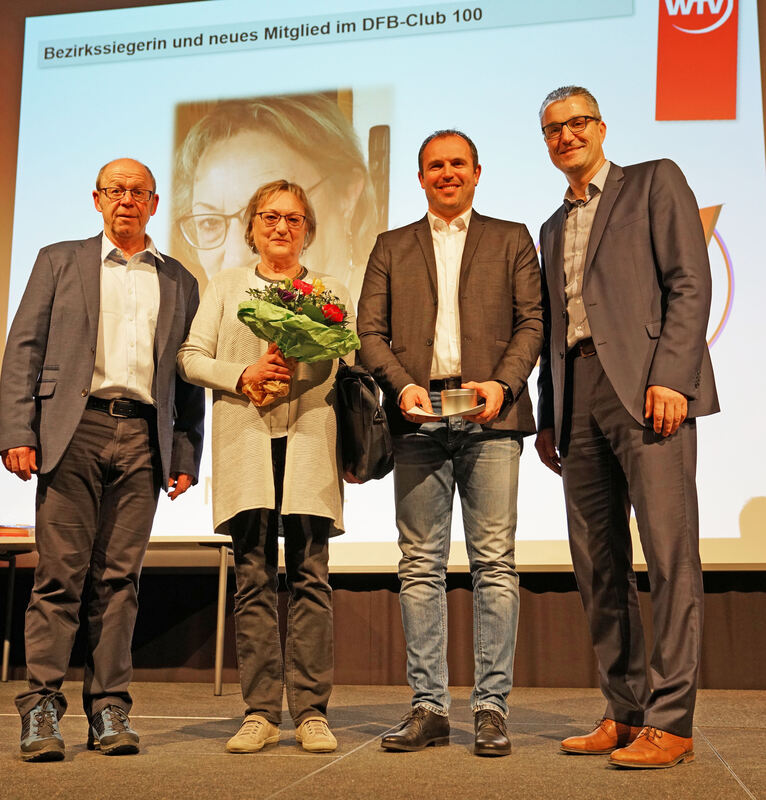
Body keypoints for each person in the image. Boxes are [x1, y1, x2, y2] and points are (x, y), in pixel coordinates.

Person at [535, 86, 720, 768]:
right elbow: (557, 326)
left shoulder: (653, 181)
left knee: (670, 558)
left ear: (602, 127)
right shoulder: (552, 226)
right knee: (598, 566)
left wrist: (672, 375)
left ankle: (671, 720)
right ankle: (624, 709)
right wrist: (550, 410)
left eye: (577, 122)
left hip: (648, 390)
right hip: (578, 397)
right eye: (553, 129)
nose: (566, 135)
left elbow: (689, 280)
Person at [0, 158, 205, 762]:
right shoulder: (59, 260)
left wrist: (185, 448)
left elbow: (186, 379)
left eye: (138, 193)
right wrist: (19, 429)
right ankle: (40, 708)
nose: (127, 201)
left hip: (143, 436)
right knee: (59, 576)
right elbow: (24, 350)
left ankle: (109, 705)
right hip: (73, 431)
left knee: (121, 580)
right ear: (96, 199)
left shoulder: (179, 280)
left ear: (154, 203)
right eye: (116, 191)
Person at [357, 130, 543, 757]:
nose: (447, 173)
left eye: (457, 164)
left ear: (477, 172)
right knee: (419, 566)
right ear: (420, 178)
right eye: (435, 166)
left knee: (494, 563)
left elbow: (532, 322)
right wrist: (402, 386)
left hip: (490, 413)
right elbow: (369, 332)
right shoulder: (390, 246)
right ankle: (429, 707)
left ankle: (491, 709)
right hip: (418, 415)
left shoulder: (512, 238)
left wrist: (505, 381)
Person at [177, 179, 352, 755]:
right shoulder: (226, 287)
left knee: (310, 578)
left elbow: (347, 359)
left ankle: (310, 711)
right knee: (253, 578)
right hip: (247, 442)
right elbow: (189, 358)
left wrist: (311, 344)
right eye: (270, 218)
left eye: (294, 219)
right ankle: (259, 712)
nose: (281, 227)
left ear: (307, 229)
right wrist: (242, 375)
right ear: (251, 226)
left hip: (307, 441)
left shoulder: (330, 291)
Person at [172, 92, 380, 299]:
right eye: (210, 223)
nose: (235, 259)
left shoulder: (388, 309)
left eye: (271, 214)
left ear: (347, 196)